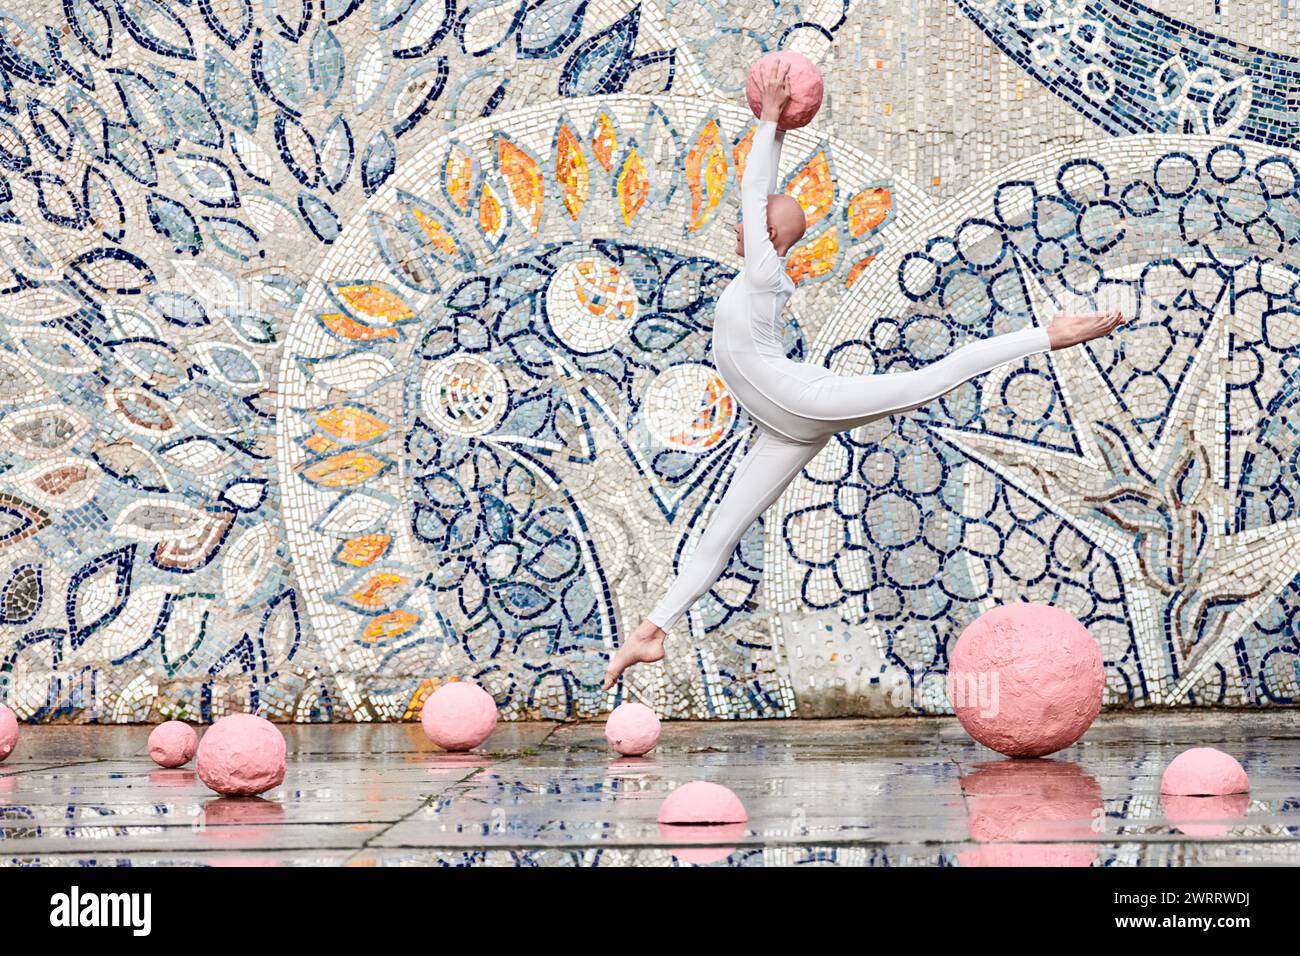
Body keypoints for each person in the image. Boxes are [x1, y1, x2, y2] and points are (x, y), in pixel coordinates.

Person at [603, 62, 1124, 691]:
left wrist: (770, 119)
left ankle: (1048, 333)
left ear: (769, 234)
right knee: (720, 532)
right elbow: (754, 200)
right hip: (784, 427)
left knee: (930, 379)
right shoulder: (755, 279)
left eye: (759, 216)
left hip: (802, 398)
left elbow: (752, 187)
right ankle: (652, 631)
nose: (741, 219)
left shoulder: (766, 277)